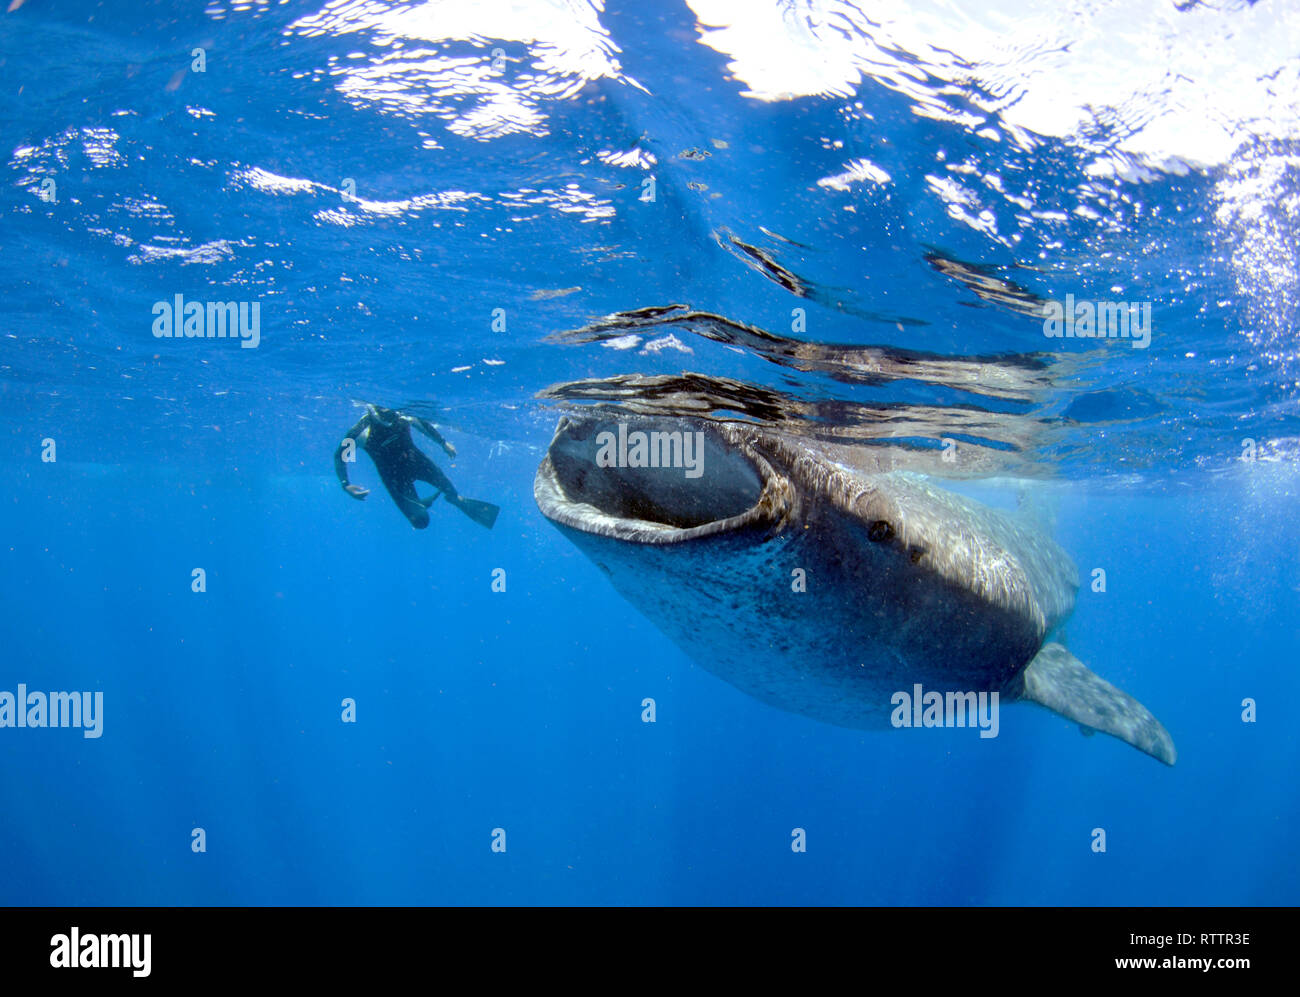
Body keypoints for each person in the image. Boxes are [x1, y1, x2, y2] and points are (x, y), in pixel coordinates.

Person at [334, 403, 499, 530]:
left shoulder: (401, 415)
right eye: (385, 419)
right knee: (420, 521)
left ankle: (456, 500)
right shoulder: (359, 432)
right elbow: (340, 456)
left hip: (418, 462)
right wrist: (345, 484)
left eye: (392, 417)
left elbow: (422, 424)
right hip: (393, 477)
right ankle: (420, 504)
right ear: (373, 414)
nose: (390, 421)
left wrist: (443, 442)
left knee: (453, 494)